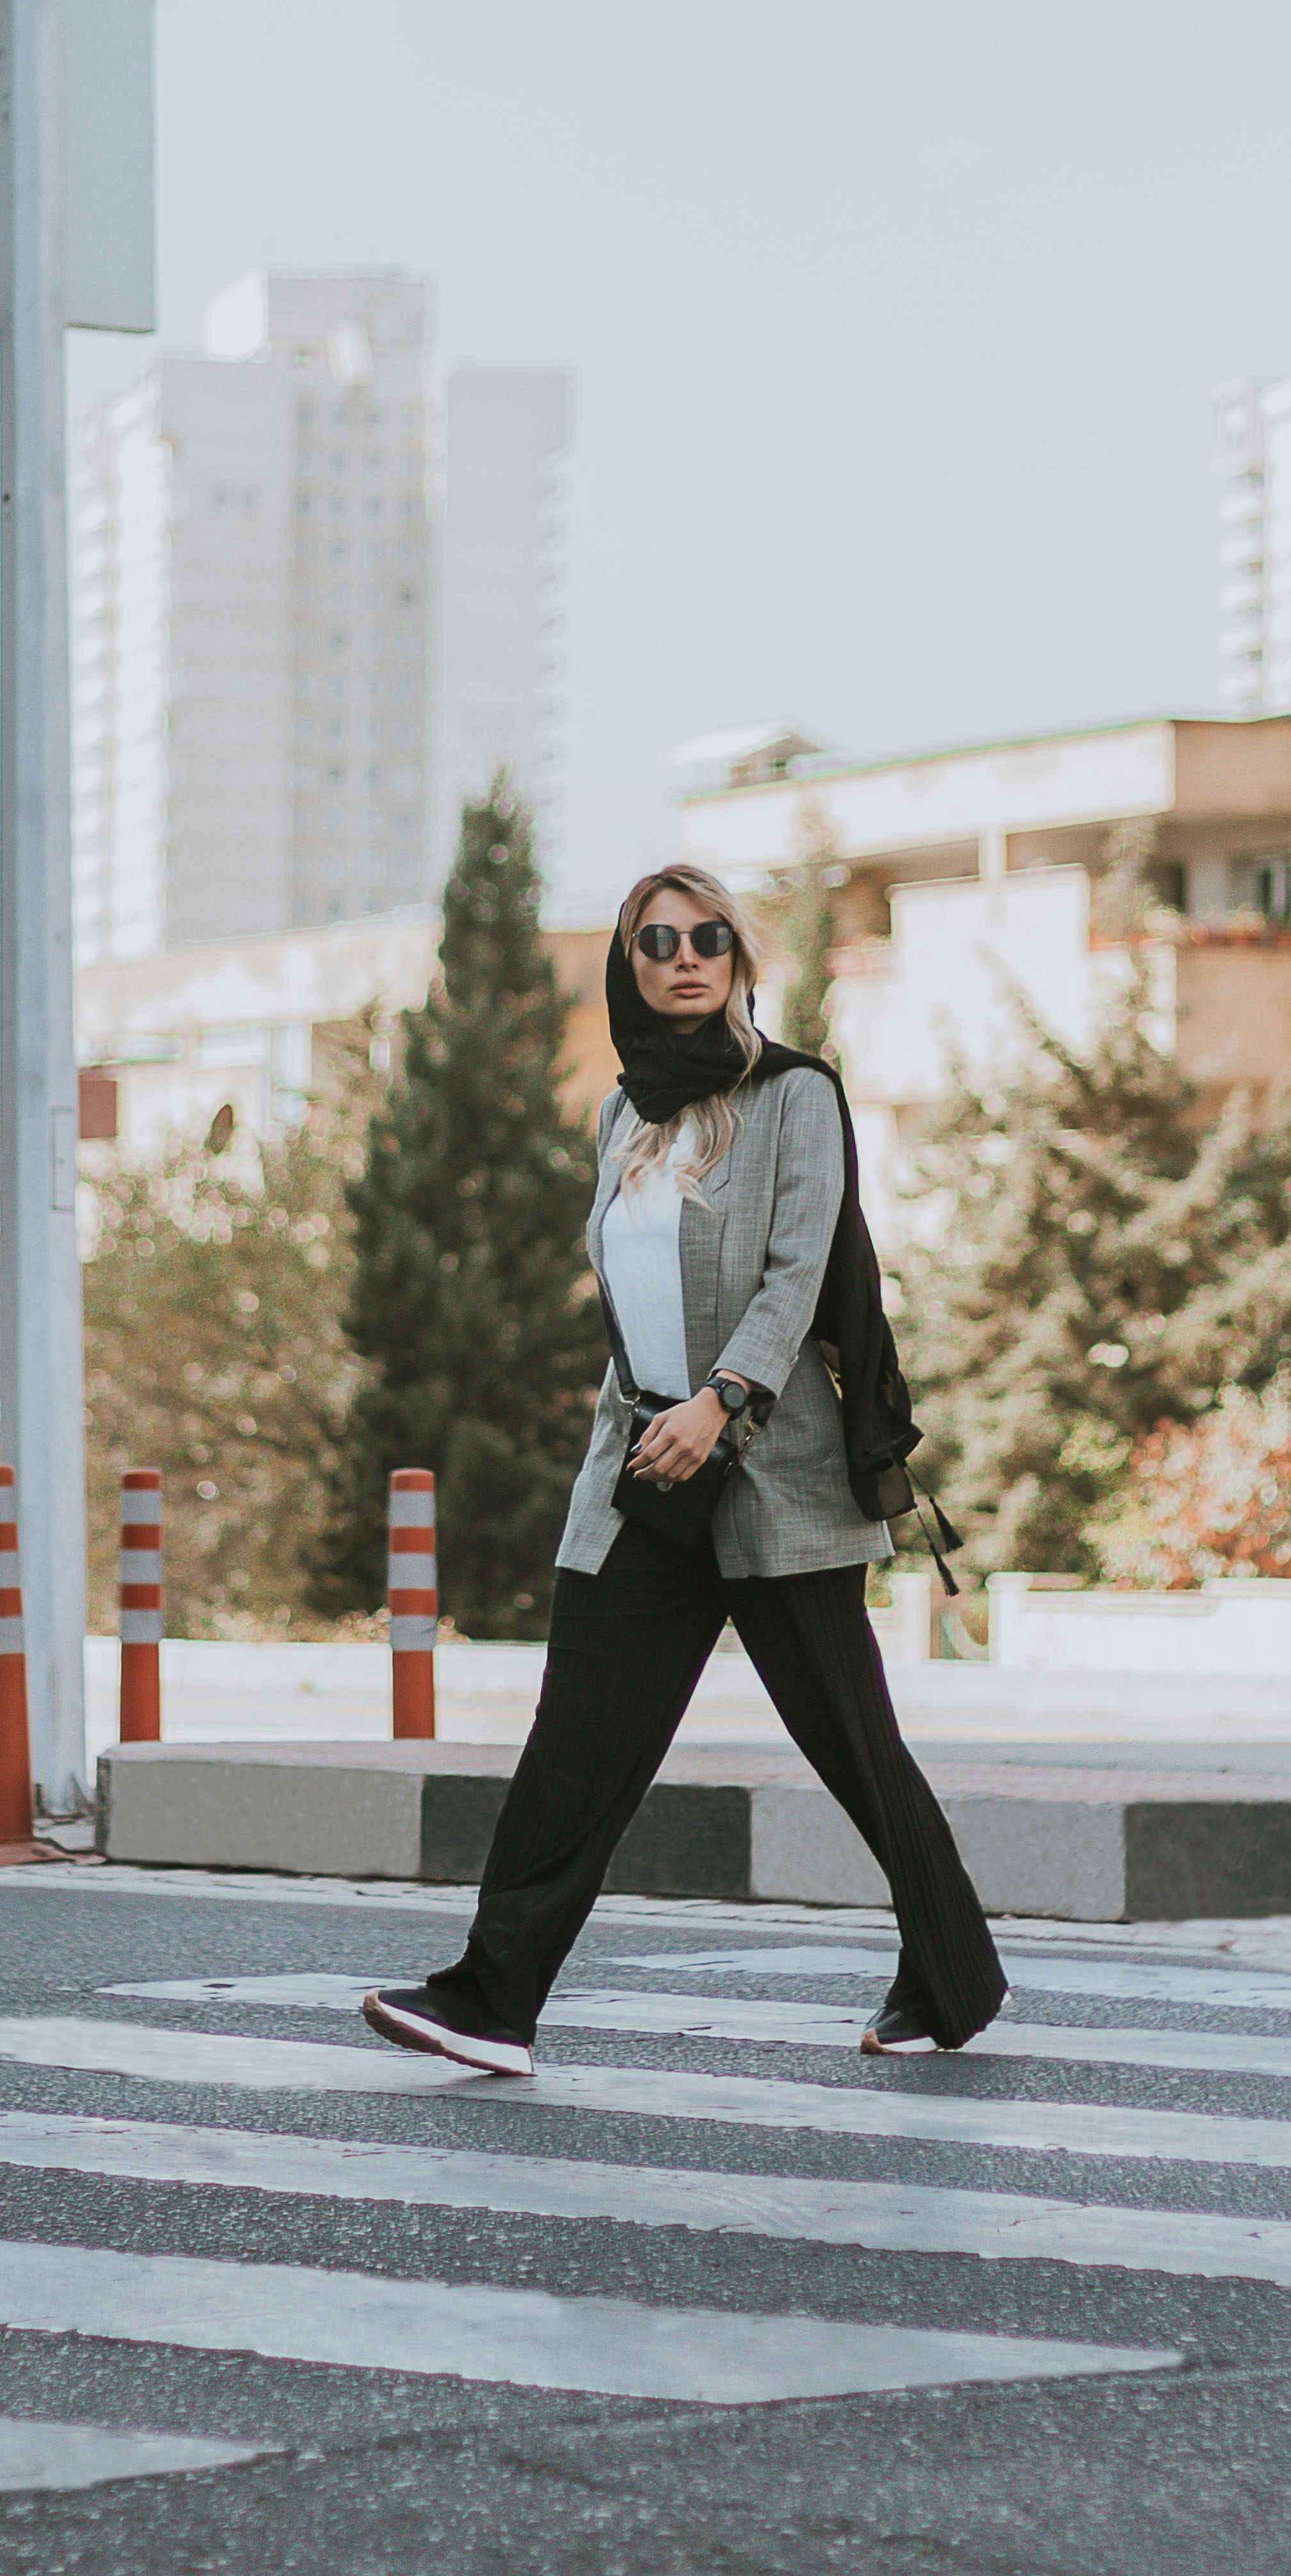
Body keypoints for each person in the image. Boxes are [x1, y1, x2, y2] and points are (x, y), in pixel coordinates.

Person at [362, 862, 1007, 2077]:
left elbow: (798, 1272)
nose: (686, 955)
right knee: (577, 1744)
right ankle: (493, 1999)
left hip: (771, 1476)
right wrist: (638, 1435)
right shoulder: (624, 1117)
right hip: (648, 1471)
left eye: (710, 936)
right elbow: (625, 1302)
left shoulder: (794, 1097)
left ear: (739, 957)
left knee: (853, 1745)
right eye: (657, 940)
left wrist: (724, 1401)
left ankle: (956, 1974)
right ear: (629, 966)